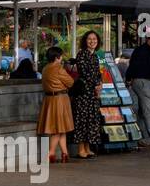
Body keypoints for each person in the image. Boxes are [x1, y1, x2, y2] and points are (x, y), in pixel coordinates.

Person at [37, 46, 75, 164]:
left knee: (61, 128)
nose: (62, 58)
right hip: (60, 99)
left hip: (49, 99)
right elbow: (70, 82)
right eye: (61, 56)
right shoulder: (58, 68)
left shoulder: (45, 69)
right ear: (57, 57)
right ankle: (51, 153)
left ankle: (65, 154)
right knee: (58, 129)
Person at [71, 31, 102, 160]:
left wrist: (100, 84)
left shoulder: (95, 55)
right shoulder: (82, 54)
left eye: (94, 39)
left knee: (91, 120)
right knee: (82, 120)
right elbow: (85, 72)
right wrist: (95, 84)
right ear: (85, 41)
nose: (92, 41)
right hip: (84, 93)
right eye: (89, 39)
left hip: (93, 94)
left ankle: (88, 148)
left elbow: (97, 73)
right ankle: (80, 149)